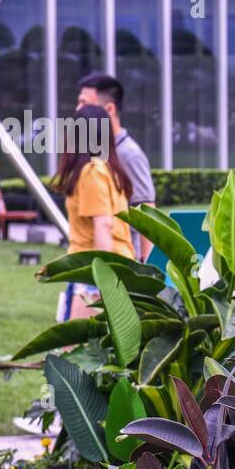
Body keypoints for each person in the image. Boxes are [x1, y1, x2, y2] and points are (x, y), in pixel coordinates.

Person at [52, 103, 135, 320]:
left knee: (77, 351)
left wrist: (98, 283)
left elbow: (103, 224)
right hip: (110, 267)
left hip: (93, 270)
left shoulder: (92, 172)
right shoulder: (108, 169)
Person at [76, 72, 156, 260]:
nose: (78, 108)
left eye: (84, 103)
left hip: (121, 263)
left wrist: (149, 266)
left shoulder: (129, 154)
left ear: (109, 109)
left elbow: (146, 210)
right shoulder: (95, 151)